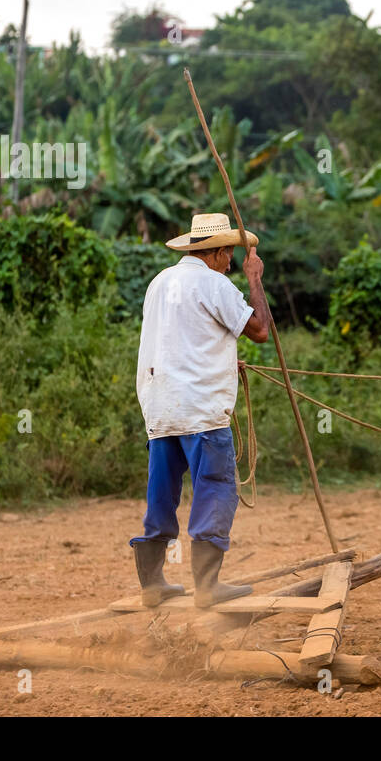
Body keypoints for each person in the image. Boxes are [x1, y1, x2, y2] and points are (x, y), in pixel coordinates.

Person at [129, 212, 271, 608]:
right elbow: (260, 330)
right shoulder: (214, 283)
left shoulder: (160, 282)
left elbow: (183, 340)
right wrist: (255, 279)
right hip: (202, 412)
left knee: (161, 495)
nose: (231, 262)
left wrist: (225, 361)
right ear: (218, 251)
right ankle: (208, 586)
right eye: (229, 255)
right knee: (216, 489)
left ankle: (153, 584)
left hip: (160, 407)